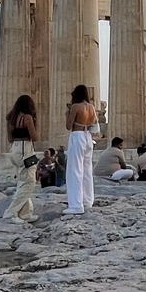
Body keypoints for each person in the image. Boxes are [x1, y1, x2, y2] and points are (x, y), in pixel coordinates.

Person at [4, 94, 40, 224]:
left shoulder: (11, 119)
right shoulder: (27, 118)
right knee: (29, 182)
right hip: (26, 150)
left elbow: (10, 139)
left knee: (22, 182)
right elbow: (35, 137)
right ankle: (11, 212)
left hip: (14, 150)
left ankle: (25, 213)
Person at [63, 84, 98, 215]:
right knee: (87, 170)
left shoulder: (76, 107)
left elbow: (68, 126)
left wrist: (67, 113)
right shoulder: (91, 107)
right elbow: (94, 123)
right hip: (88, 136)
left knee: (74, 170)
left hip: (77, 135)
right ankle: (88, 201)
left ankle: (76, 204)